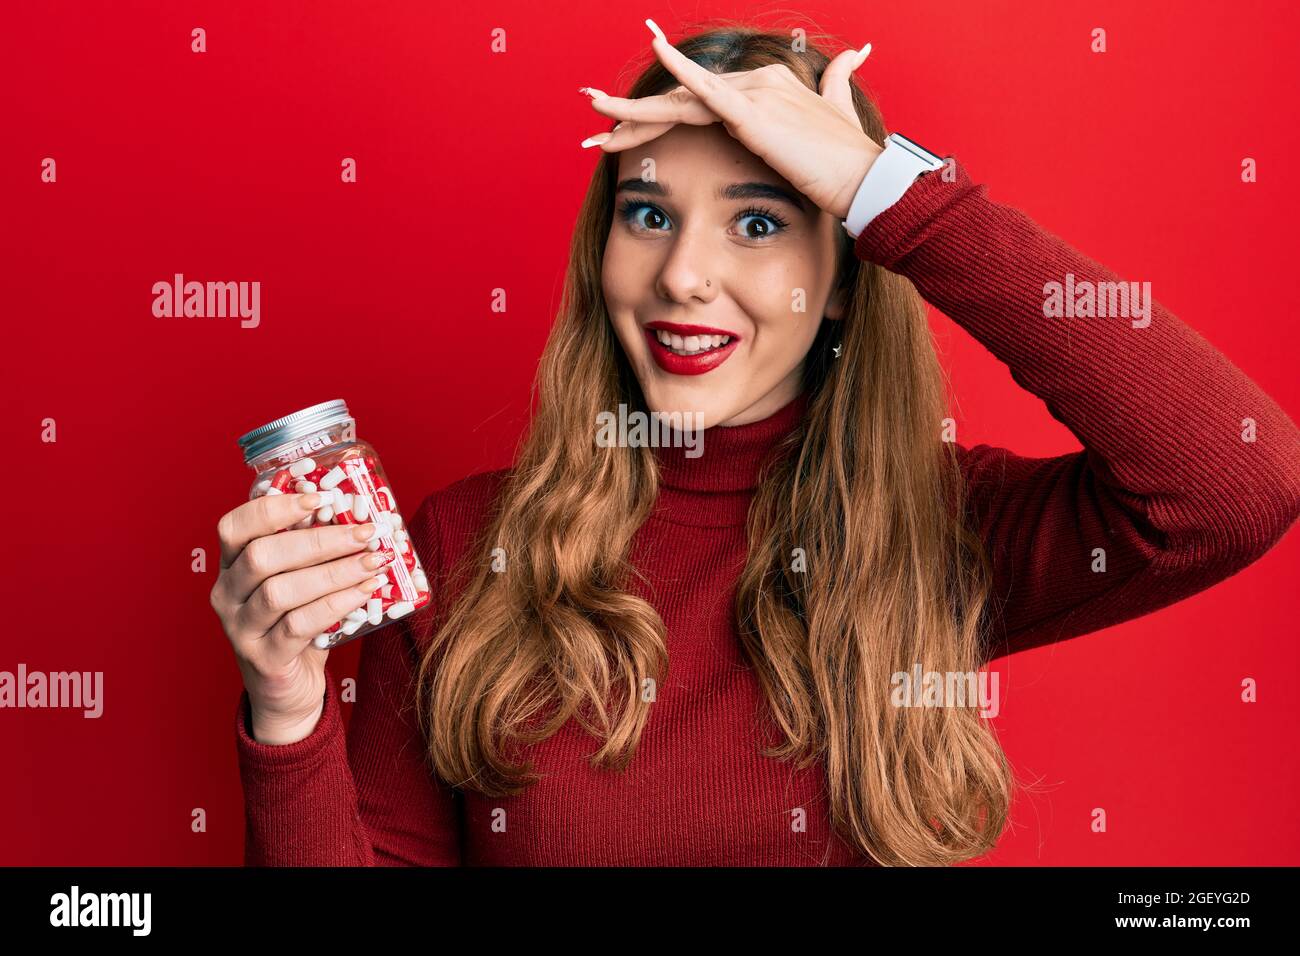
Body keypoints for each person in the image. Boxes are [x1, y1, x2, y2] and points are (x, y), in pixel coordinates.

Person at [209, 23, 1300, 866]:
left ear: (839, 282)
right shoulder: (459, 546)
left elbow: (1238, 481)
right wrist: (289, 705)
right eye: (648, 213)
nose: (685, 272)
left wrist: (895, 195)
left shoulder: (935, 530)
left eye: (761, 220)